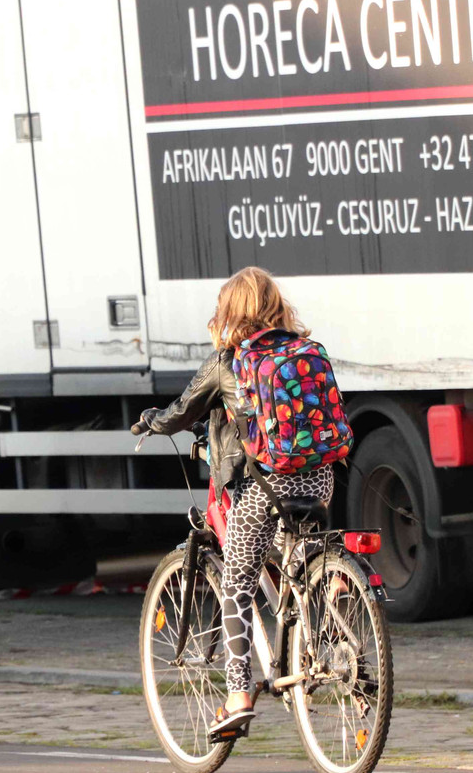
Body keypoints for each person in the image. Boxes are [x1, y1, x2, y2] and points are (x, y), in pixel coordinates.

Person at [132, 266, 337, 737]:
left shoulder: (229, 361)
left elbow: (181, 411)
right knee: (293, 560)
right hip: (320, 478)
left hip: (266, 487)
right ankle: (332, 594)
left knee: (238, 582)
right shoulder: (304, 350)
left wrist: (151, 421)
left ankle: (239, 695)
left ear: (231, 311)